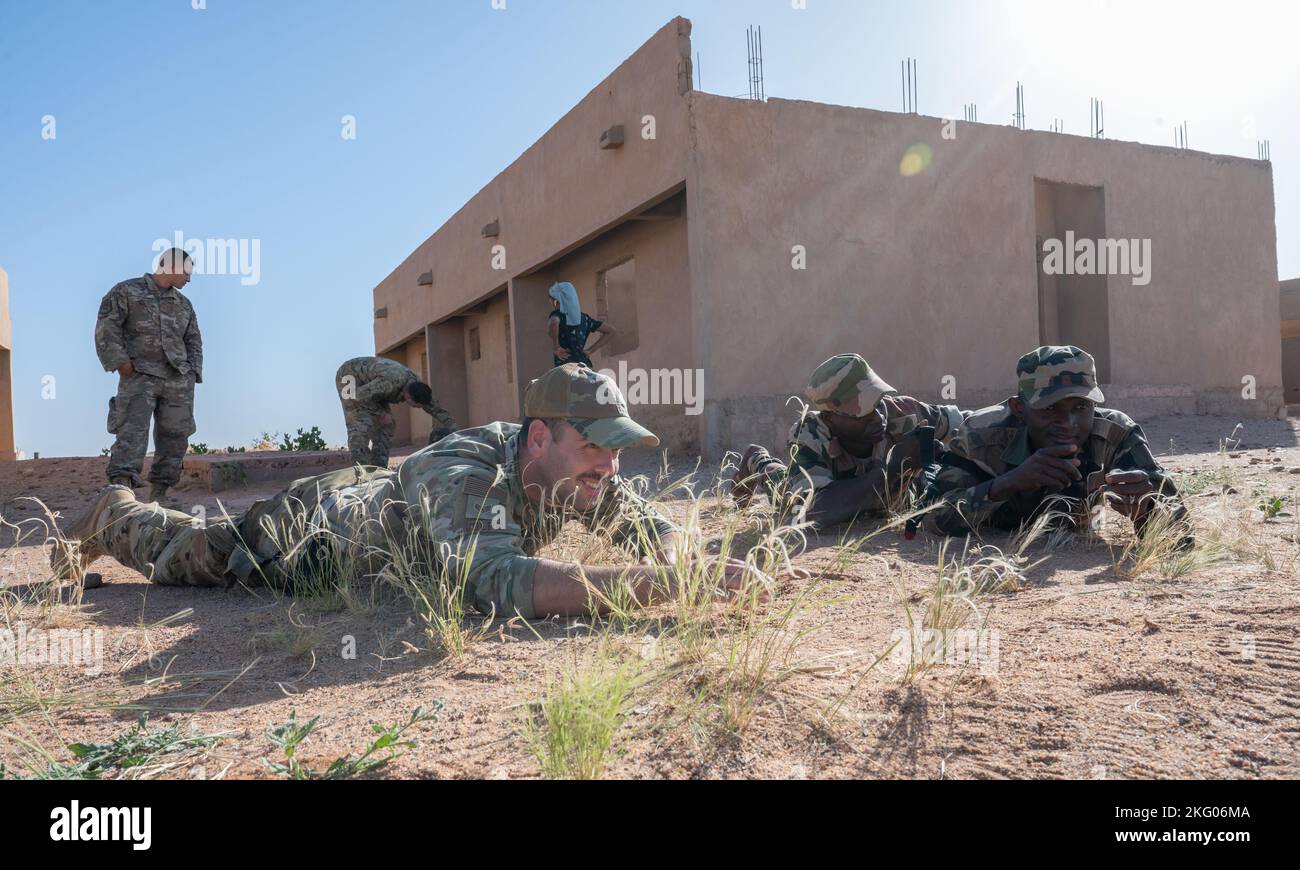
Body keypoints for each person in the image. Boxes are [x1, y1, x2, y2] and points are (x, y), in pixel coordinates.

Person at [51, 365, 769, 619]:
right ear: (540, 438)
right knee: (183, 559)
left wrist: (684, 554)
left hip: (374, 509)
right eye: (594, 448)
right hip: (311, 535)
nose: (609, 468)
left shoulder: (579, 472)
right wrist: (668, 587)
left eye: (615, 451)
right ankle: (115, 512)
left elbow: (645, 524)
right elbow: (498, 582)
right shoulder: (464, 470)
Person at [921, 346, 1189, 540]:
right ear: (1019, 408)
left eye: (1082, 406)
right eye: (1050, 409)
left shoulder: (1115, 433)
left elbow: (1181, 537)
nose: (1068, 422)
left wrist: (1147, 510)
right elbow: (934, 521)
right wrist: (1009, 483)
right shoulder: (980, 434)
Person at [731, 354, 967, 528]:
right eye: (863, 411)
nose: (879, 416)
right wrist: (894, 467)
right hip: (818, 485)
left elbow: (966, 423)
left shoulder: (903, 410)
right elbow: (812, 512)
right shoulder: (810, 433)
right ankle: (756, 458)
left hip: (879, 500)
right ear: (830, 418)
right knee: (780, 485)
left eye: (878, 402)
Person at [95, 248, 203, 504]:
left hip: (177, 379)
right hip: (139, 376)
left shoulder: (184, 305)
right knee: (131, 431)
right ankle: (122, 492)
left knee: (175, 436)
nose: (189, 279)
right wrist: (120, 362)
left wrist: (193, 372)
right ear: (173, 267)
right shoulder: (126, 291)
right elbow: (107, 326)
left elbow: (194, 339)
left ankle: (160, 494)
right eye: (187, 273)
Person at [335, 356, 457, 468]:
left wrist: (456, 431)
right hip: (350, 377)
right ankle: (361, 470)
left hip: (373, 386)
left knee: (387, 425)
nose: (419, 408)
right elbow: (358, 397)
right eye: (417, 406)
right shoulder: (390, 383)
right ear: (408, 397)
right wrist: (381, 413)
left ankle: (378, 468)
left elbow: (436, 409)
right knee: (360, 425)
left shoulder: (417, 387)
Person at [548, 281, 616, 369]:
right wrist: (590, 351)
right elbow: (611, 330)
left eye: (551, 299)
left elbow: (553, 322)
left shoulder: (558, 315)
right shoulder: (585, 318)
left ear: (557, 301)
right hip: (585, 366)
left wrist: (556, 347)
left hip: (566, 367)